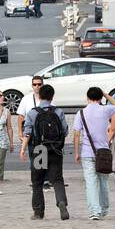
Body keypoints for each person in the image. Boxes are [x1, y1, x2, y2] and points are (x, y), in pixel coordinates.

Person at [19, 82, 70, 220]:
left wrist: (23, 148)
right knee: (57, 179)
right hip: (55, 149)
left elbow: (27, 133)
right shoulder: (58, 112)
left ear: (39, 96)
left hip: (39, 149)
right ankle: (61, 202)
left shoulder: (32, 113)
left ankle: (38, 212)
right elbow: (65, 131)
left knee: (37, 181)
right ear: (52, 97)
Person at [73, 87, 115, 219]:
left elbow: (76, 134)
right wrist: (106, 94)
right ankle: (104, 209)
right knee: (103, 182)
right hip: (103, 152)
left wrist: (76, 152)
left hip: (87, 152)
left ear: (87, 98)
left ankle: (94, 211)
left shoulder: (81, 113)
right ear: (100, 98)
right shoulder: (105, 110)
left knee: (91, 183)